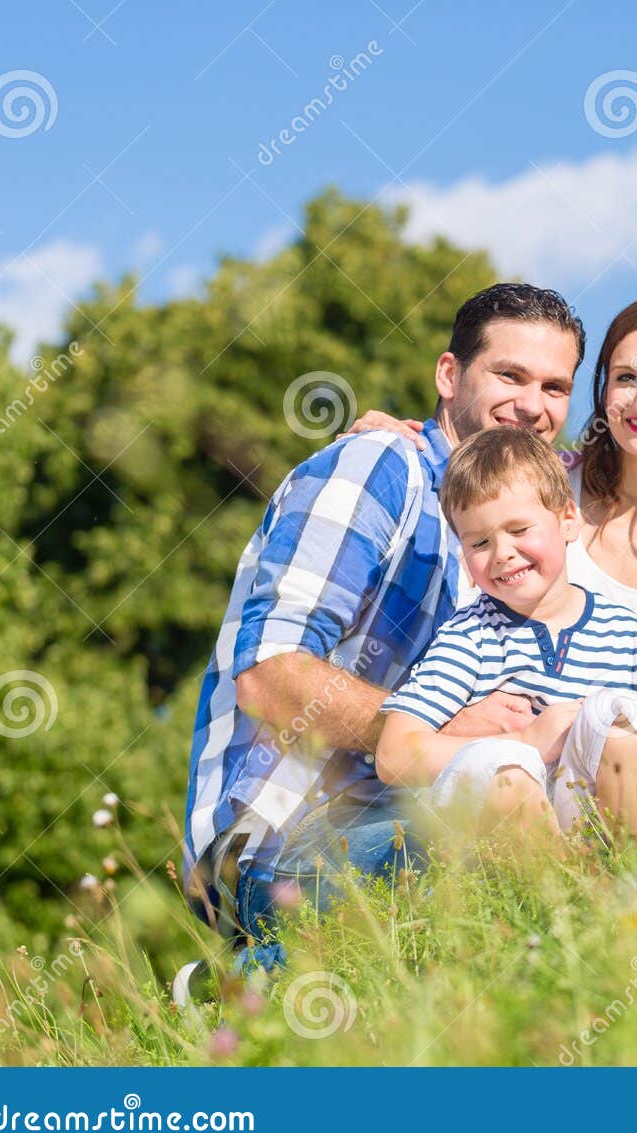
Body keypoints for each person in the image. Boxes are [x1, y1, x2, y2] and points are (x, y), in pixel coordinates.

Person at [182, 283, 585, 970]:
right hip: (290, 841)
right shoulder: (380, 467)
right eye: (510, 375)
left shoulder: (516, 535)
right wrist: (431, 729)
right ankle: (250, 980)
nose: (533, 404)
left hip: (421, 813)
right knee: (529, 870)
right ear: (449, 375)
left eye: (554, 386)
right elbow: (269, 676)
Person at [351, 293, 637, 843]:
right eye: (626, 377)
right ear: (604, 388)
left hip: (636, 796)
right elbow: (467, 471)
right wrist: (398, 441)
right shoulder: (542, 486)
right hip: (509, 781)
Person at [376, 425, 637, 851]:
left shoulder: (629, 634)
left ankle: (633, 881)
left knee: (618, 716)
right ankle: (556, 899)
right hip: (505, 843)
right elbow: (394, 756)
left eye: (519, 530)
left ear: (567, 520)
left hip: (601, 824)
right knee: (505, 767)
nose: (502, 552)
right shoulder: (470, 635)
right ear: (465, 558)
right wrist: (527, 741)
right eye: (480, 541)